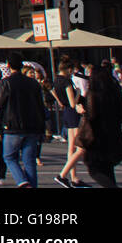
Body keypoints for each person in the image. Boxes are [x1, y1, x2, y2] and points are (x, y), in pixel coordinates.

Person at [0, 51, 46, 187]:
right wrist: (43, 126)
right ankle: (31, 185)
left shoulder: (5, 83)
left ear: (8, 65)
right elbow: (41, 105)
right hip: (32, 126)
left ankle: (22, 181)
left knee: (9, 157)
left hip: (13, 126)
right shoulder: (33, 83)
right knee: (29, 160)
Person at [76, 63, 122, 188]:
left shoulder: (94, 94)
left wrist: (82, 110)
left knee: (95, 170)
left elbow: (91, 116)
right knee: (108, 170)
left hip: (98, 138)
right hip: (113, 136)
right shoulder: (115, 92)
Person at [53, 56, 88, 188]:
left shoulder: (56, 80)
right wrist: (78, 93)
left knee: (71, 147)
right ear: (68, 69)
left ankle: (74, 177)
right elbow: (73, 103)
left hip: (66, 113)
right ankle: (65, 175)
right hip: (73, 113)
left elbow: (60, 99)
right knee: (77, 147)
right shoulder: (66, 82)